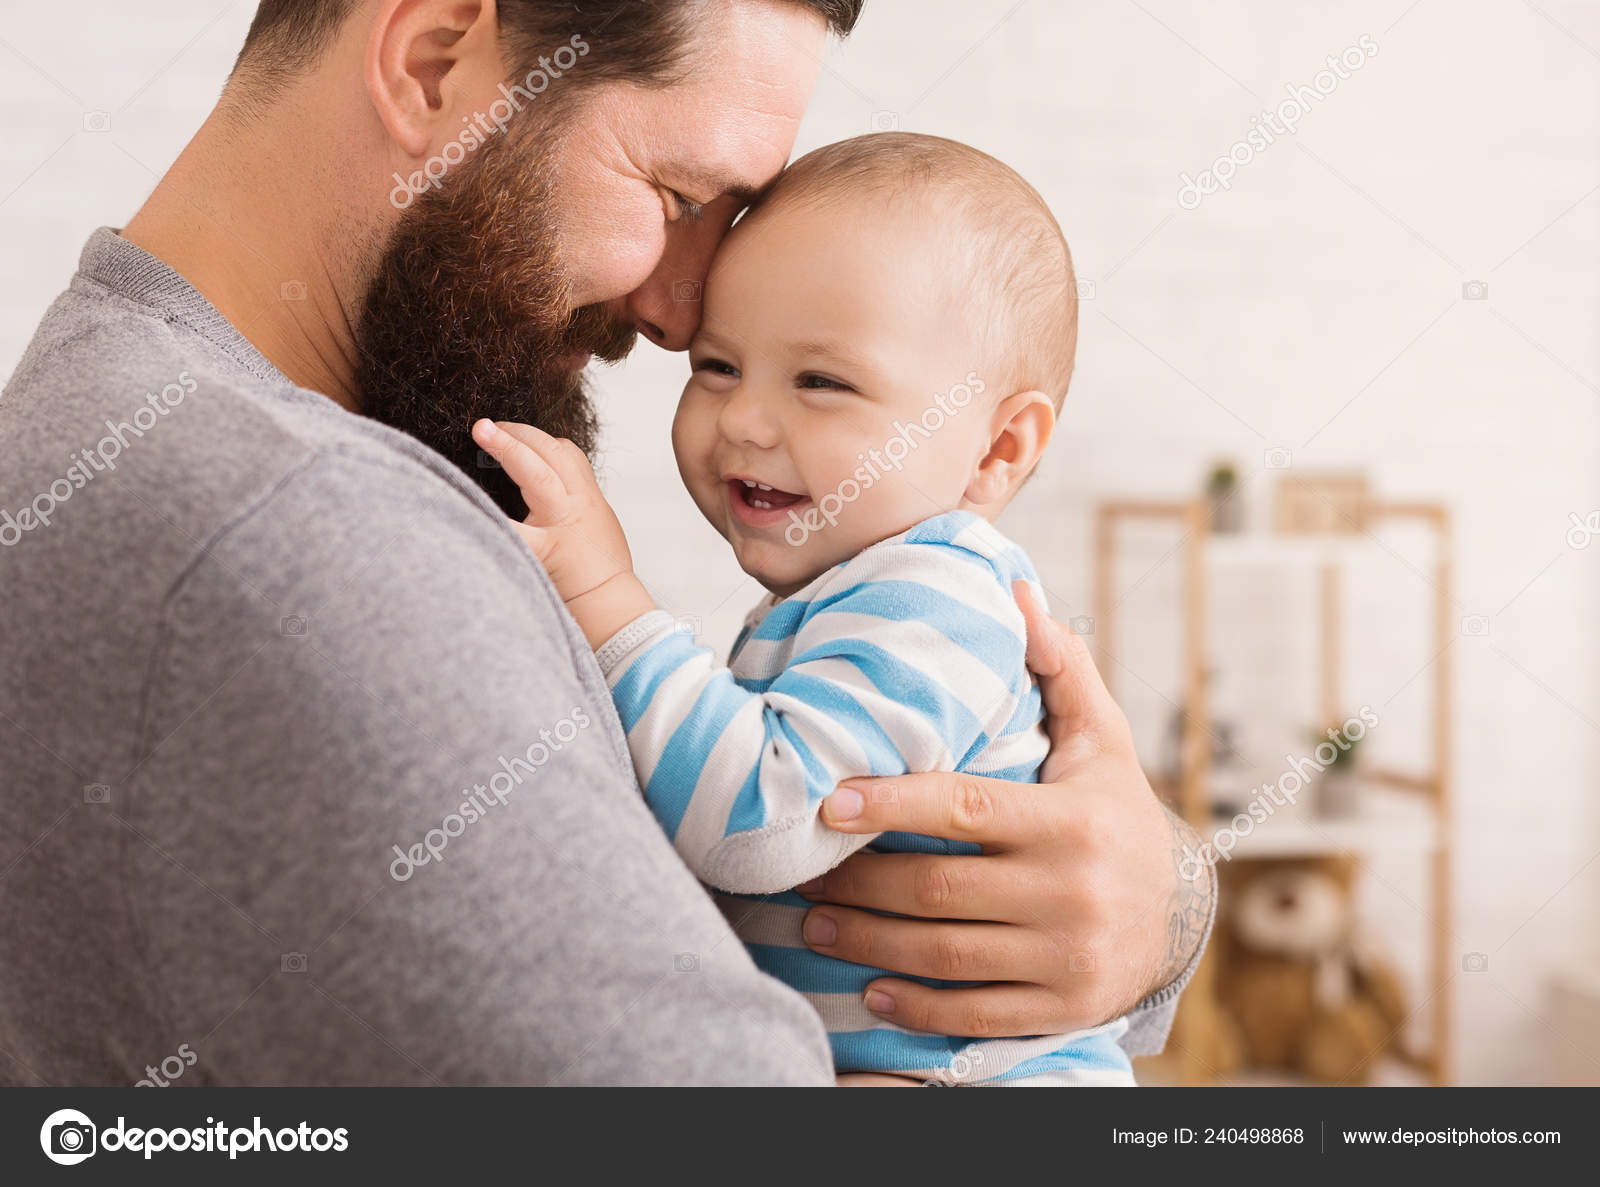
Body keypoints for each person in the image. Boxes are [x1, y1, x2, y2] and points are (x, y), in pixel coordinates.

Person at [0, 0, 1212, 1086]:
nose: (683, 310)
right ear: (432, 66)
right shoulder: (301, 531)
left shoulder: (100, 413)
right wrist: (1158, 913)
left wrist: (1143, 907)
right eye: (679, 199)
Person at [477, 133, 1136, 1086]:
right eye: (716, 367)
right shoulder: (847, 595)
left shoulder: (936, 593)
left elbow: (761, 818)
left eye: (821, 382)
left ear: (997, 448)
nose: (744, 419)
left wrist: (605, 598)